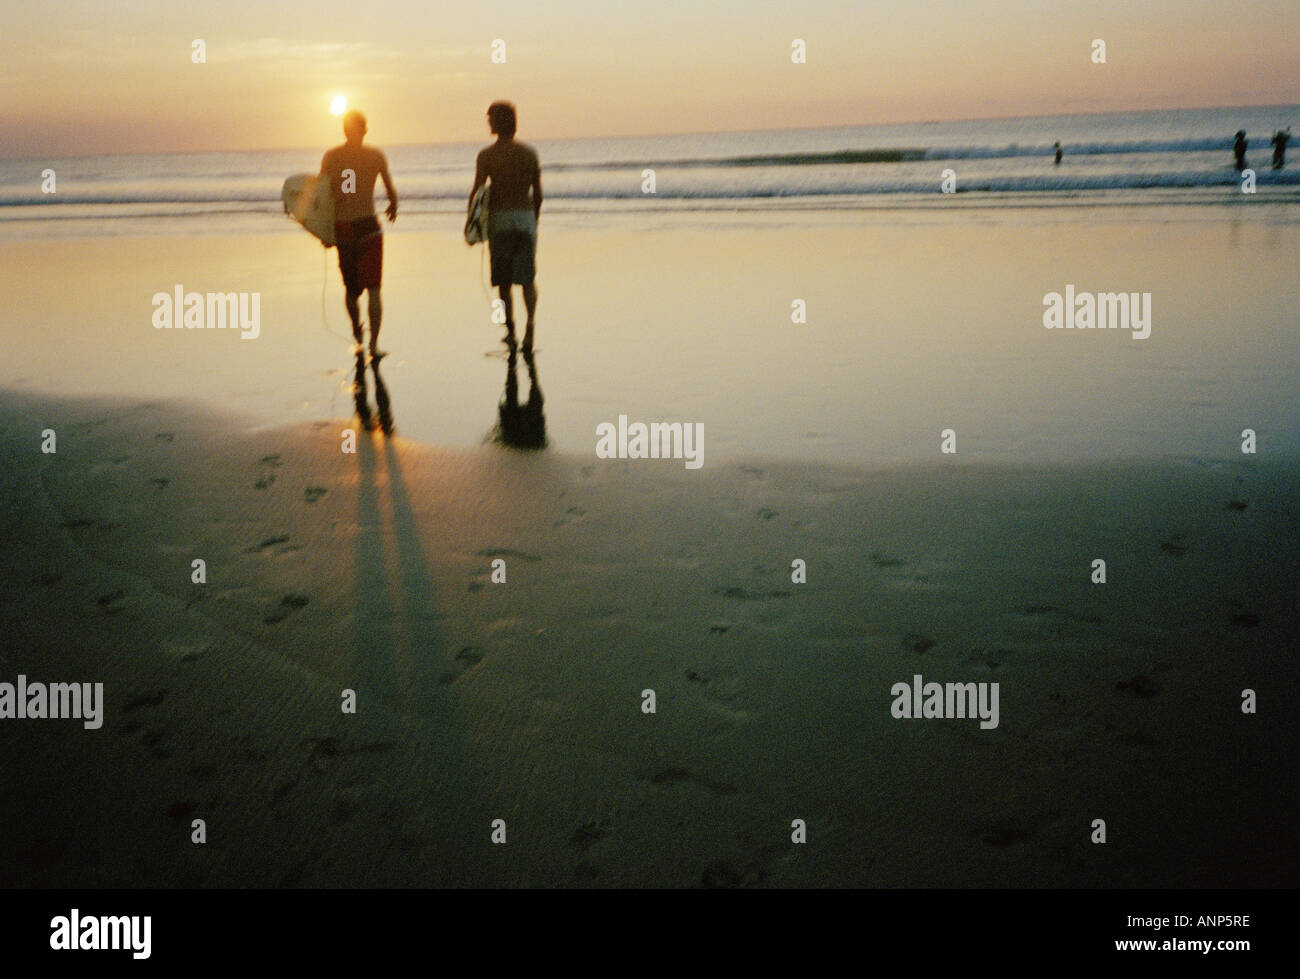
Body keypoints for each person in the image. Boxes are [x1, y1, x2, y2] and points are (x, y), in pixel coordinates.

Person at [320, 110, 398, 360]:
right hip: (369, 226)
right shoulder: (375, 156)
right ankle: (374, 345)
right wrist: (393, 206)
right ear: (365, 129)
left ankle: (356, 329)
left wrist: (323, 229)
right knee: (374, 289)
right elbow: (390, 190)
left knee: (352, 290)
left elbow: (321, 195)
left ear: (344, 130)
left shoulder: (332, 157)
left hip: (344, 227)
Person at [469, 101, 543, 353]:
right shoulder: (530, 153)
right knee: (527, 279)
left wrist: (472, 224)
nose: (488, 122)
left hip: (500, 220)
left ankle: (511, 332)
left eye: (490, 118)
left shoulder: (487, 156)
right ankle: (530, 327)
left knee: (504, 281)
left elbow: (477, 193)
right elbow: (538, 194)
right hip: (524, 218)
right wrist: (535, 220)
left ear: (497, 122)